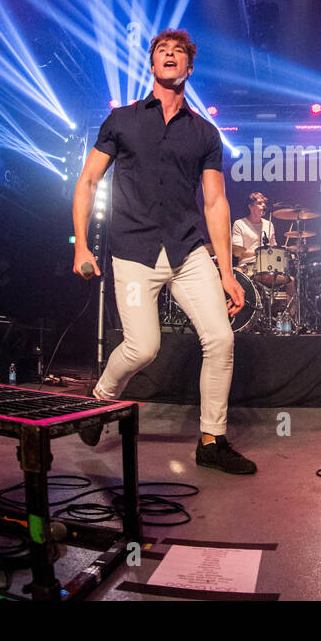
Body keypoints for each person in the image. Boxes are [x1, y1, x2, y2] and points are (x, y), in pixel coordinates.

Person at [72, 28, 256, 474]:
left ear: (189, 68)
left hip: (187, 249)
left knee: (220, 339)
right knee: (143, 349)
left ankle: (211, 441)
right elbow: (89, 181)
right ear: (153, 65)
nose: (169, 55)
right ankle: (100, 400)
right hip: (133, 250)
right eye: (161, 51)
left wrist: (227, 272)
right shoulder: (123, 120)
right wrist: (81, 243)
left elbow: (215, 203)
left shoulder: (205, 134)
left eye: (178, 52)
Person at [231, 192, 275, 267]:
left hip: (267, 266)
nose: (264, 205)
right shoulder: (240, 224)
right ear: (250, 206)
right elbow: (237, 252)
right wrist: (259, 252)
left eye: (264, 203)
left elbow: (273, 247)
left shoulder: (269, 224)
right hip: (247, 266)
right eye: (259, 203)